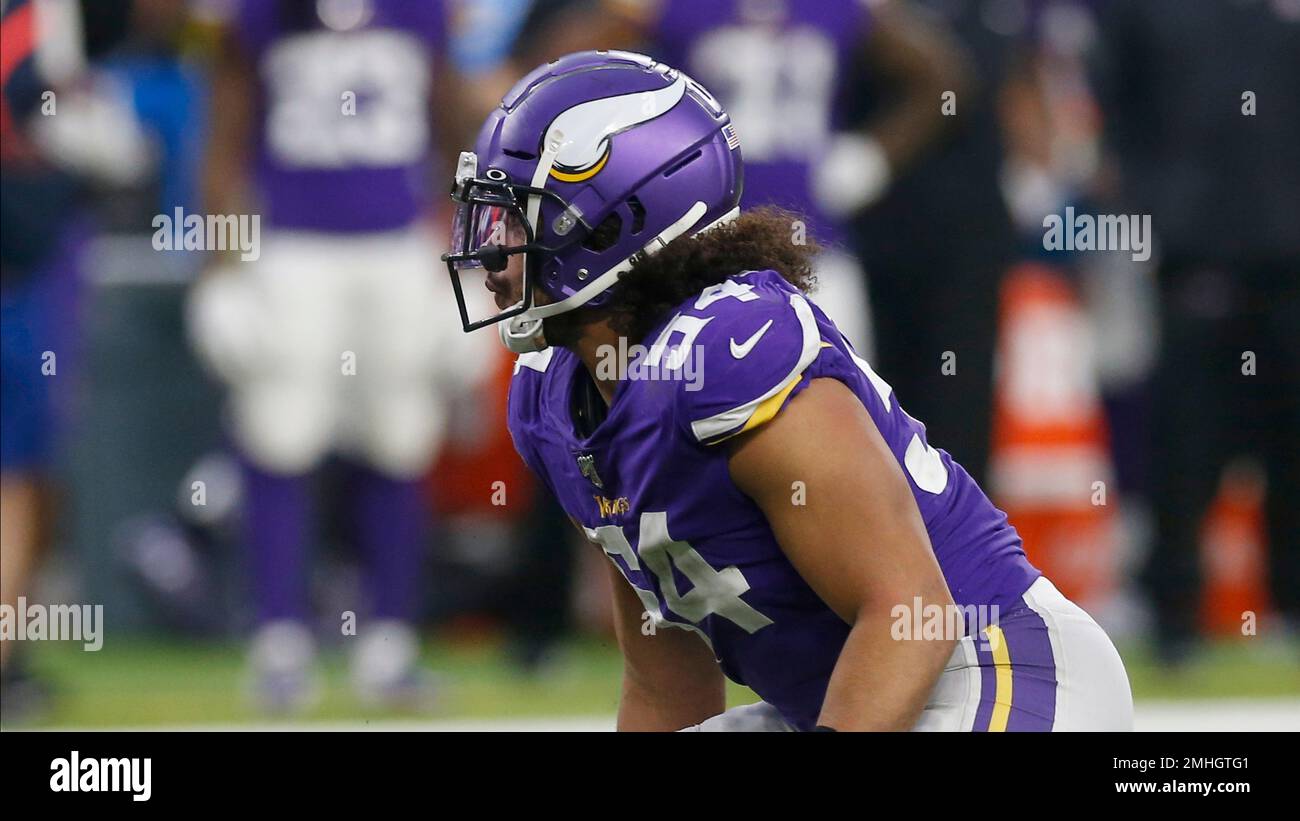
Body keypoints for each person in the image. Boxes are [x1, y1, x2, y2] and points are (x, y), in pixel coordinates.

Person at [442, 50, 1132, 730]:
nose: (489, 251)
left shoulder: (729, 349)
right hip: (852, 699)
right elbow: (665, 686)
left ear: (610, 223)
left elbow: (910, 611)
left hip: (994, 666)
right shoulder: (553, 400)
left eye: (515, 219)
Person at [188, 0, 489, 711]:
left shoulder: (417, 12)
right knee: (278, 436)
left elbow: (456, 127)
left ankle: (388, 645)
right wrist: (219, 263)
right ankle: (279, 643)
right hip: (295, 250)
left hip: (394, 246)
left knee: (400, 439)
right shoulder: (262, 16)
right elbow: (225, 136)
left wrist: (480, 250)